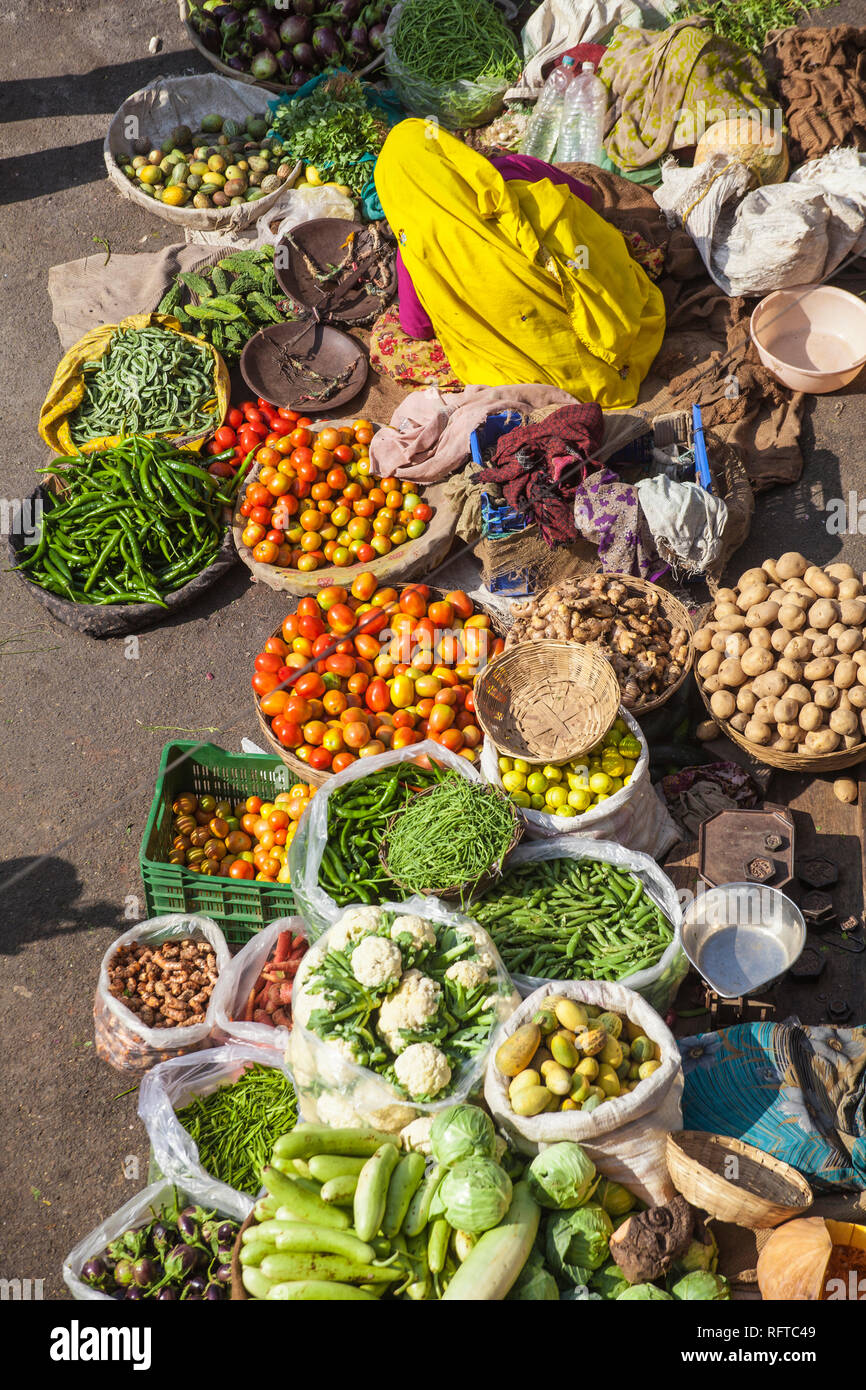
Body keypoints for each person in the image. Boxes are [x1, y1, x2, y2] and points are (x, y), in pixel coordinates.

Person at [373, 119, 665, 408]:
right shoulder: (510, 171)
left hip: (535, 378)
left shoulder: (411, 250)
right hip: (613, 321)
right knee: (606, 242)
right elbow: (587, 198)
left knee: (387, 339)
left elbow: (418, 328)